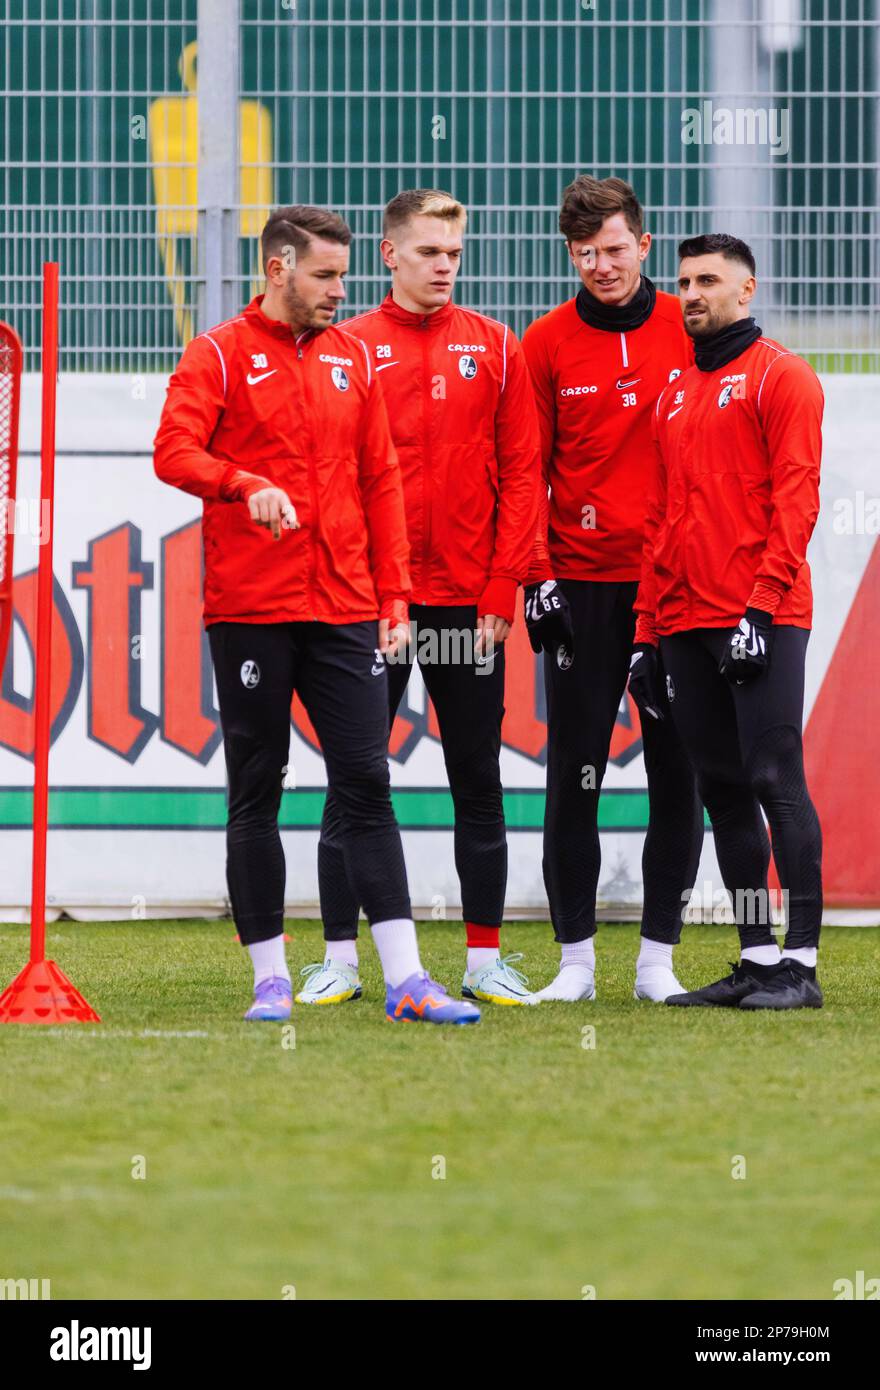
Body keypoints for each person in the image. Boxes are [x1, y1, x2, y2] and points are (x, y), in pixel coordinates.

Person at [153, 204, 480, 1025]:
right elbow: (173, 449)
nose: (342, 290)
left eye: (343, 274)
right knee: (258, 787)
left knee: (367, 781)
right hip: (253, 608)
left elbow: (381, 483)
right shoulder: (218, 354)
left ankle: (407, 979)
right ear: (277, 269)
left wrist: (395, 597)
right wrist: (242, 484)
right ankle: (271, 978)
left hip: (344, 607)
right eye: (325, 275)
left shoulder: (351, 360)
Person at [302, 188, 543, 1009]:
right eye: (430, 252)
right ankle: (339, 959)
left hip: (469, 605)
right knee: (355, 780)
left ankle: (483, 961)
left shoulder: (497, 348)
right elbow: (332, 480)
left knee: (477, 777)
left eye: (455, 253)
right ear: (389, 255)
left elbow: (521, 475)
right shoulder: (345, 347)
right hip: (374, 608)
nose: (445, 267)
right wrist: (355, 590)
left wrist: (503, 584)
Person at [521, 176, 703, 1004]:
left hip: (675, 589)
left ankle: (658, 962)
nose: (603, 265)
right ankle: (576, 966)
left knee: (679, 774)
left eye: (616, 248)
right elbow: (524, 469)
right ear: (571, 254)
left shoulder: (688, 325)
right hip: (584, 588)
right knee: (575, 774)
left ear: (646, 246)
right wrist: (536, 575)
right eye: (587, 252)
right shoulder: (546, 342)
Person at [632, 232, 825, 1010]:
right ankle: (756, 958)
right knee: (721, 789)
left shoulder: (785, 378)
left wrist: (760, 608)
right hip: (683, 621)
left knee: (776, 777)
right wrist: (646, 634)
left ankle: (801, 968)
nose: (691, 294)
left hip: (762, 615)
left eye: (708, 280)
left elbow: (797, 502)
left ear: (747, 291)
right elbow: (659, 522)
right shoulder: (673, 392)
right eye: (683, 281)